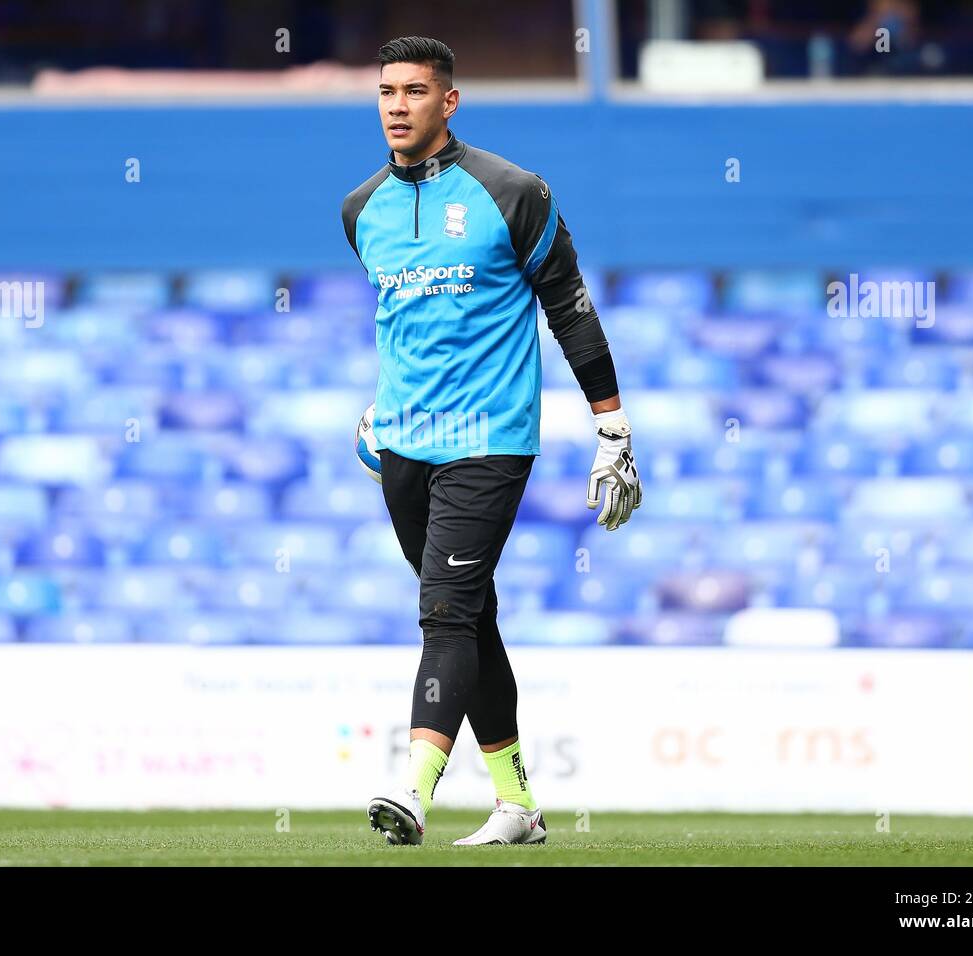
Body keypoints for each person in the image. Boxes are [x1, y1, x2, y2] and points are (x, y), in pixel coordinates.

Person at [341, 36, 641, 846]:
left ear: (449, 101)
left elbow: (571, 311)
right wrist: (378, 411)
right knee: (470, 621)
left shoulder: (513, 193)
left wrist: (611, 428)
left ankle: (412, 792)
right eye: (385, 91)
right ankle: (519, 805)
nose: (396, 106)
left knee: (443, 614)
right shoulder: (360, 210)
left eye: (413, 91)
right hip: (404, 449)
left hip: (488, 443)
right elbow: (400, 329)